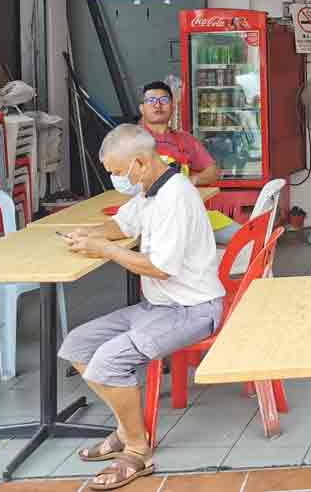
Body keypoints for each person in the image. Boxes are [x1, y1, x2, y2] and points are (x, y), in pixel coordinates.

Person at [58, 124, 226, 490]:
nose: (117, 179)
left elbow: (160, 269)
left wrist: (105, 250)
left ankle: (137, 450)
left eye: (118, 173)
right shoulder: (152, 190)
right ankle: (126, 428)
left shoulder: (175, 197)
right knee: (78, 344)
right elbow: (122, 222)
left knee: (108, 361)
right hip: (158, 306)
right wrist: (91, 235)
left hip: (192, 310)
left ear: (139, 162)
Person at [137, 81, 237, 245]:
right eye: (151, 101)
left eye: (164, 100)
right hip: (151, 219)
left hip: (188, 214)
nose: (158, 105)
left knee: (248, 238)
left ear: (172, 107)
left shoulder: (185, 140)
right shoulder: (132, 139)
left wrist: (193, 180)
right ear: (142, 108)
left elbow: (213, 171)